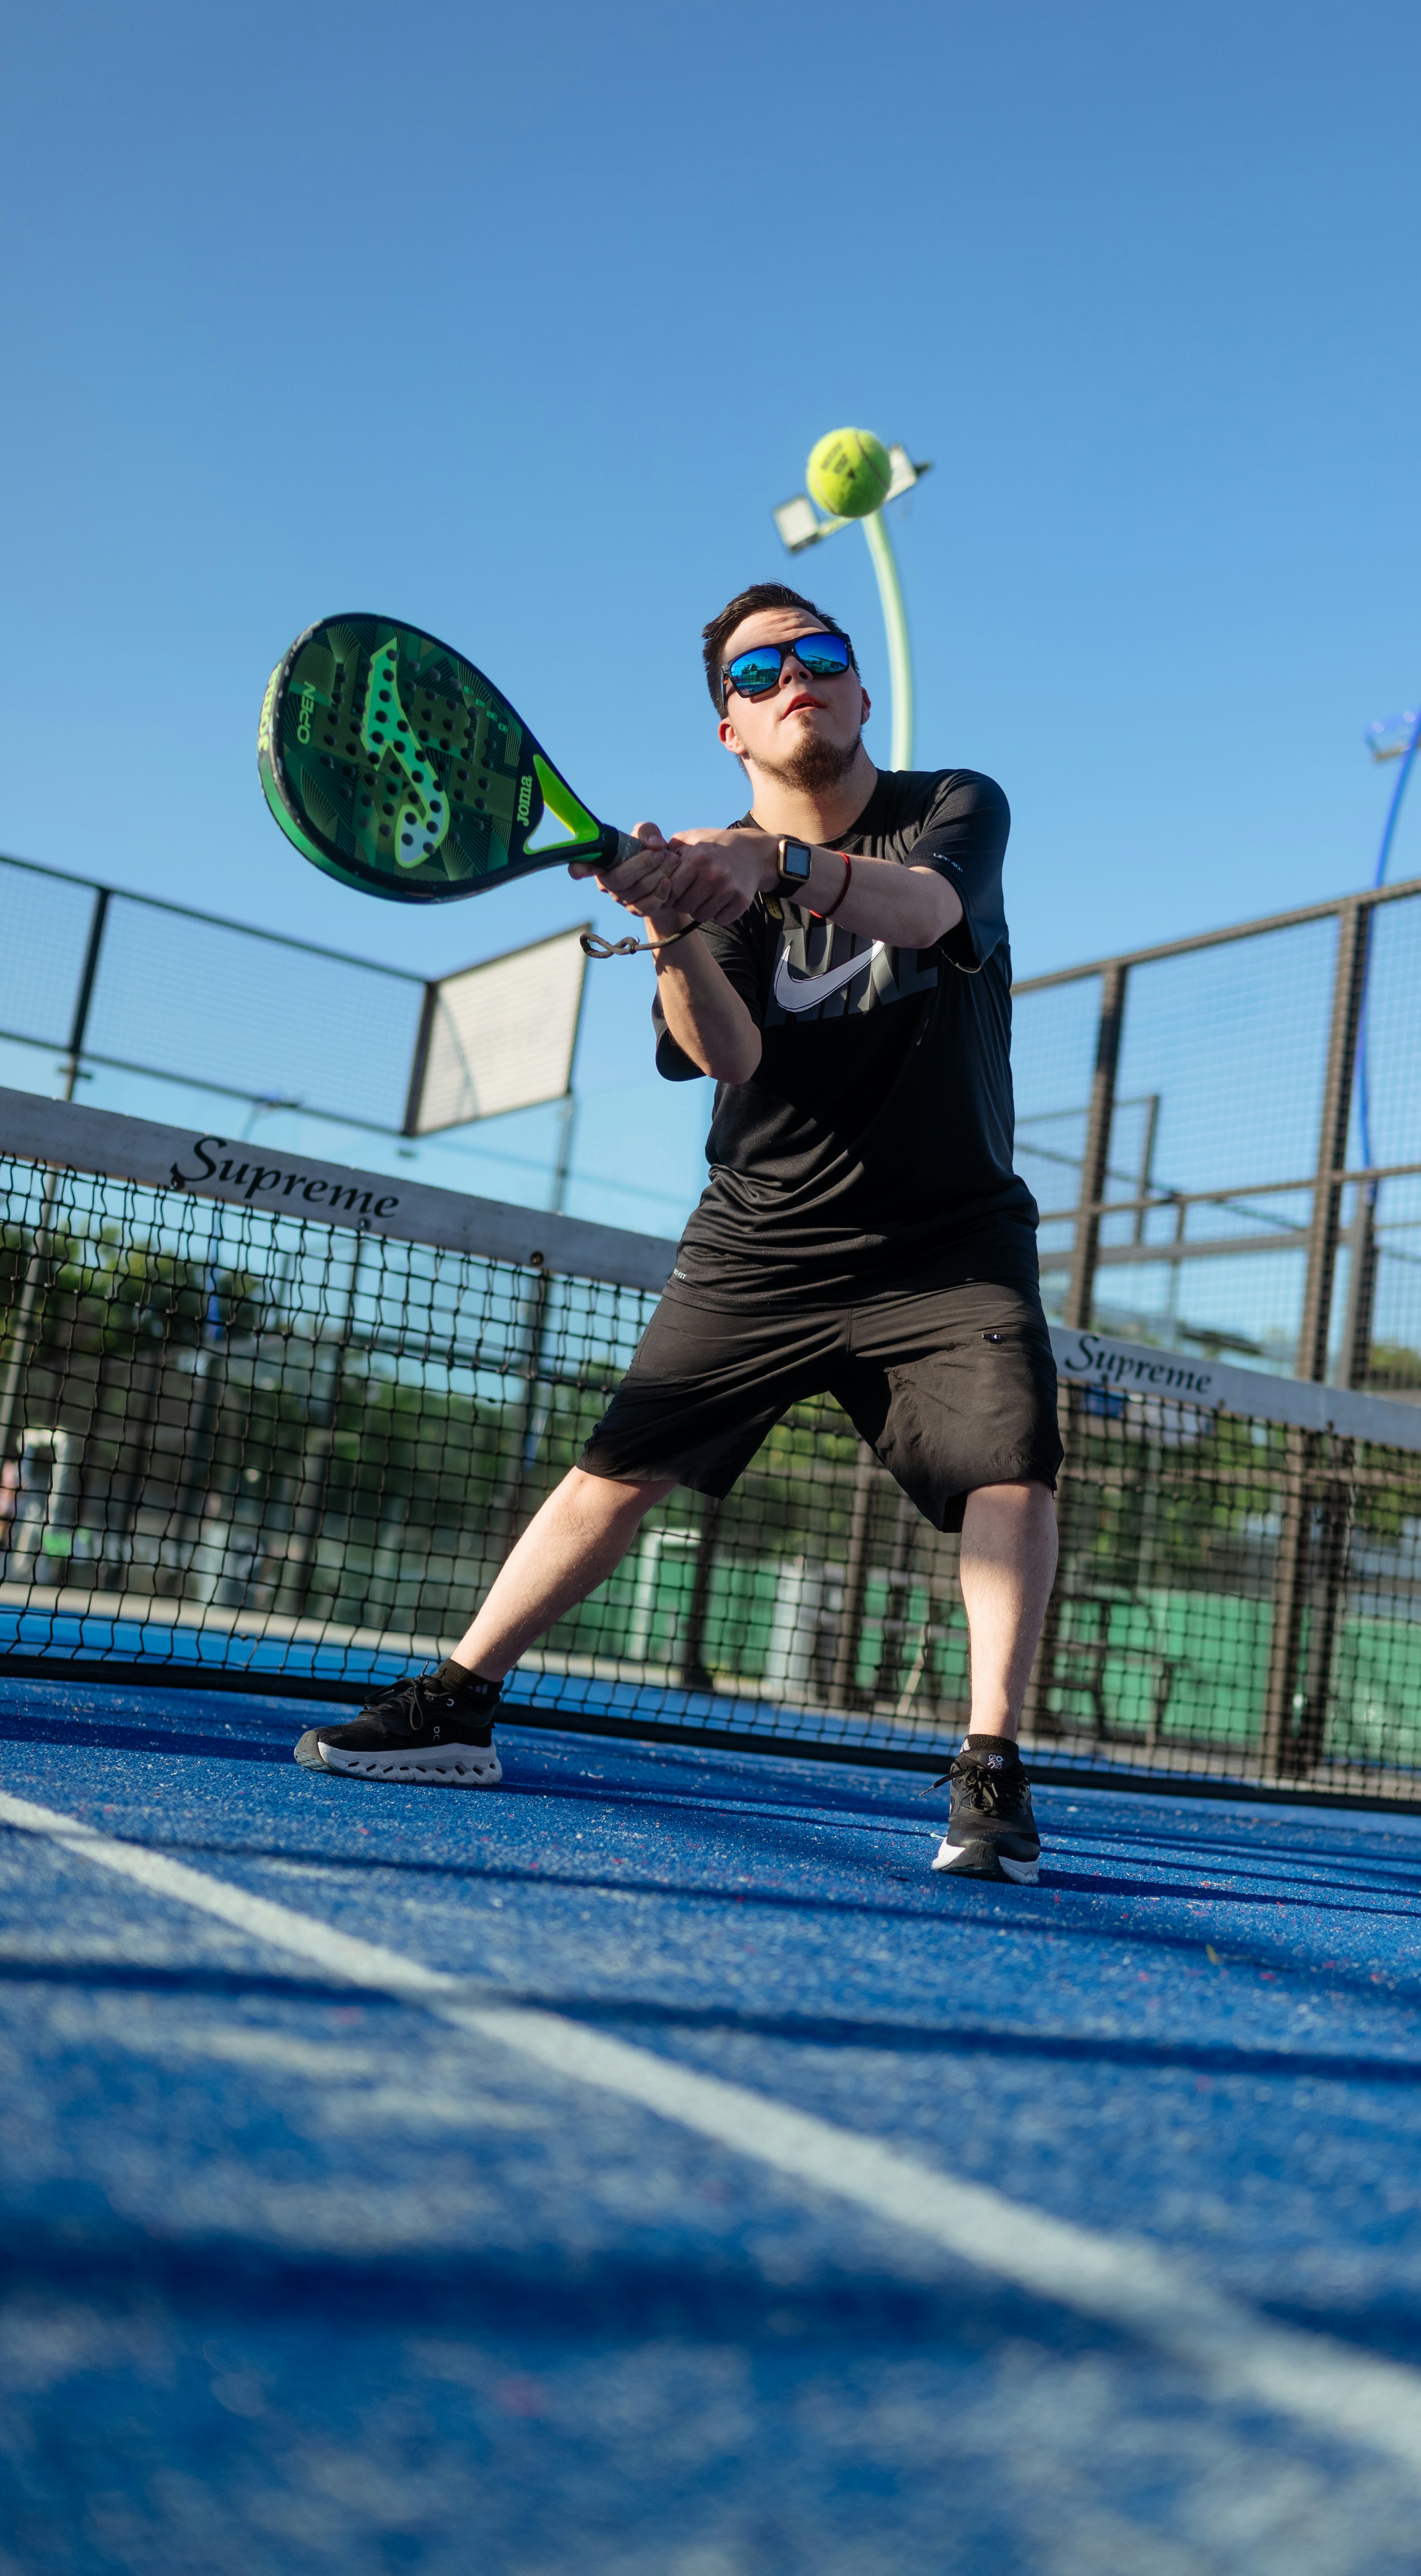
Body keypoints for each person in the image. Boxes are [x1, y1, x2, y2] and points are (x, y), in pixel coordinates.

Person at [296, 583, 1061, 1882]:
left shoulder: (953, 805)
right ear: (731, 729)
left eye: (821, 655)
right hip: (763, 1237)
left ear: (862, 691)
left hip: (951, 1236)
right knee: (615, 1469)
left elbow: (930, 916)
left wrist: (776, 866)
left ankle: (990, 1766)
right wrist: (670, 922)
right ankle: (460, 1706)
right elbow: (732, 1054)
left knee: (1011, 1468)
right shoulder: (709, 880)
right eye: (759, 673)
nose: (796, 678)